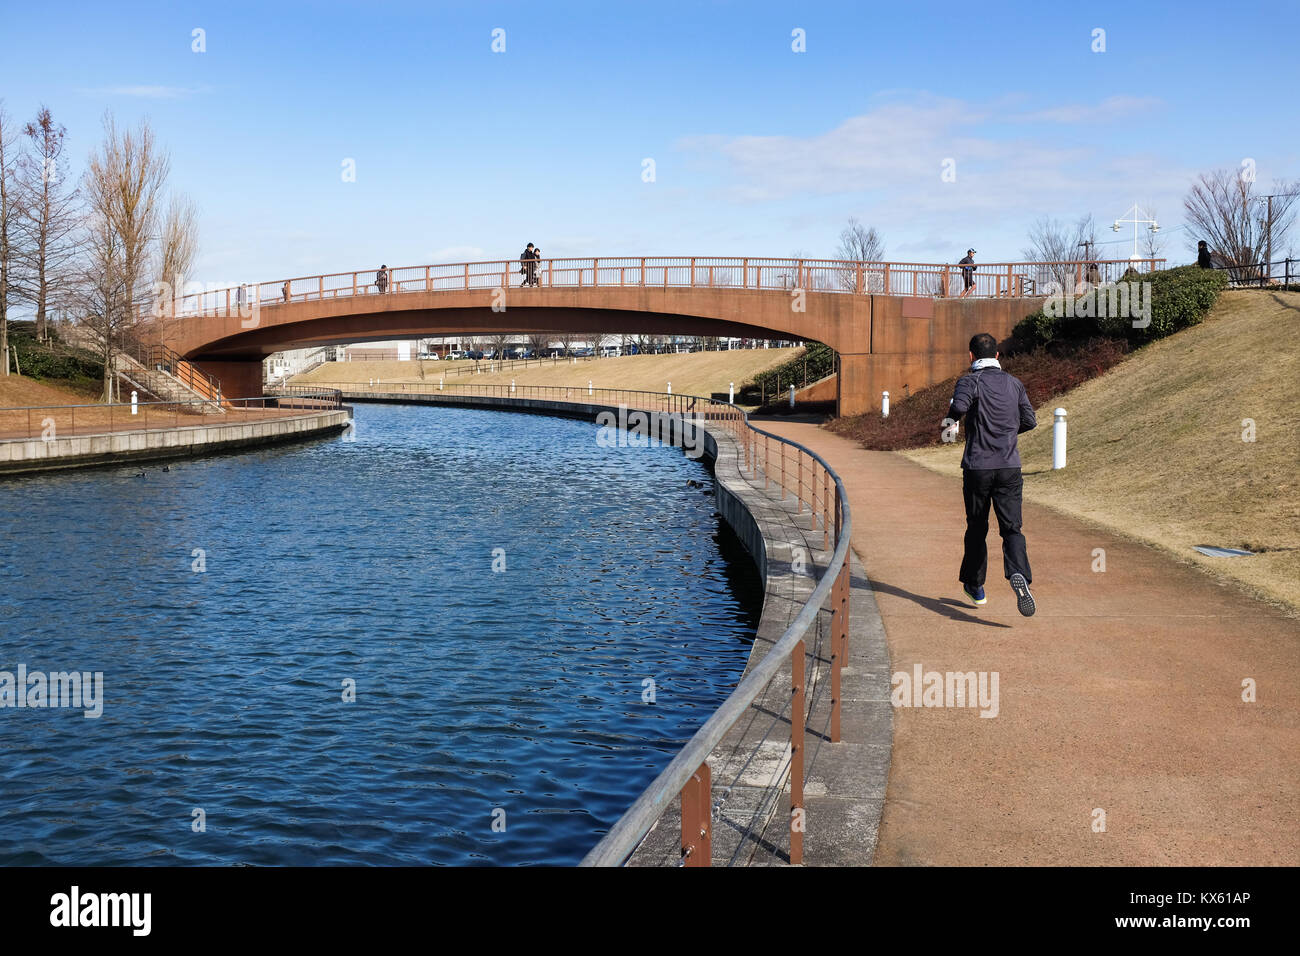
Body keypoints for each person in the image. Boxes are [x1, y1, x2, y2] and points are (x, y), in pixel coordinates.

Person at [945, 332, 1037, 617]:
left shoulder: (969, 381)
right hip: (1009, 466)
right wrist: (1007, 434)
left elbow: (958, 408)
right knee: (1012, 528)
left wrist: (949, 423)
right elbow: (1029, 421)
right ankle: (1019, 574)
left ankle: (976, 586)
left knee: (977, 528)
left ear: (971, 356)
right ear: (997, 356)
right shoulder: (1015, 384)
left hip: (978, 467)